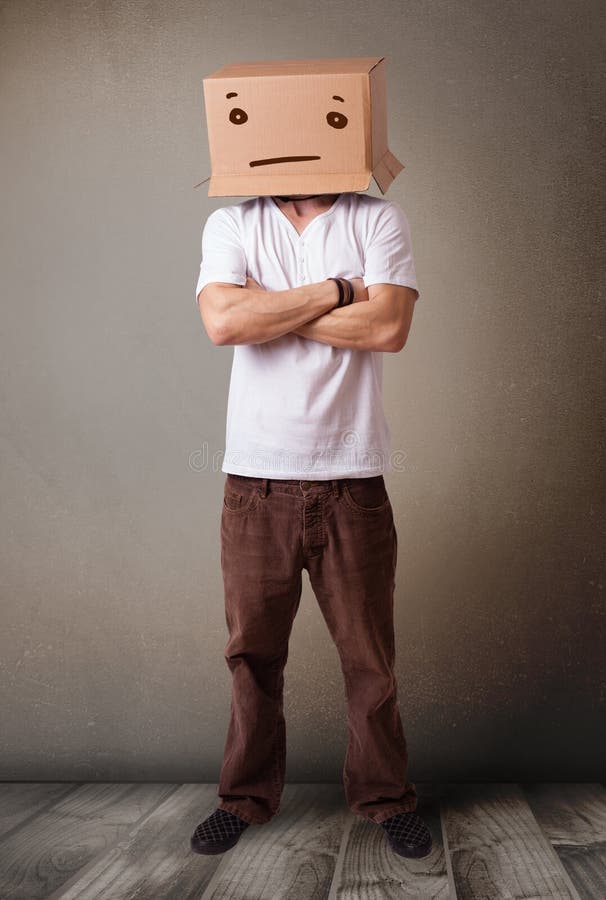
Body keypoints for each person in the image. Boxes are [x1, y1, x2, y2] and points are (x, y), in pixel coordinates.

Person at [189, 190, 432, 859]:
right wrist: (338, 290)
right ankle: (243, 798)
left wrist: (267, 309)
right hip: (253, 484)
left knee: (370, 663)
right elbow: (221, 324)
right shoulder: (234, 221)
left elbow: (389, 330)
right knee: (251, 658)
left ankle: (386, 800)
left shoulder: (377, 216)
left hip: (353, 482)